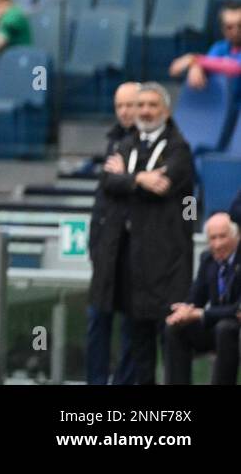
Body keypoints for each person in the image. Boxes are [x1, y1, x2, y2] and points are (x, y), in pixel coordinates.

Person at [92, 82, 196, 384]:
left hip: (167, 264)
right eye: (141, 106)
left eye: (152, 105)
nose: (145, 111)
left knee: (172, 342)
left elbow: (166, 184)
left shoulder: (178, 146)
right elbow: (107, 184)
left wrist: (126, 179)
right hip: (132, 265)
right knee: (138, 347)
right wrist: (139, 179)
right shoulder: (126, 145)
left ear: (165, 110)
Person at [86, 82, 142, 385]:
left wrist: (127, 177)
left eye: (130, 105)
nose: (124, 111)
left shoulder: (153, 143)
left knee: (132, 326)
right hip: (106, 246)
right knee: (97, 319)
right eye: (119, 105)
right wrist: (94, 242)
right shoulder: (113, 141)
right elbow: (105, 196)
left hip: (133, 248)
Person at [163, 213, 240, 385]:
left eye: (223, 236)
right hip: (216, 322)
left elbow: (238, 309)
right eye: (213, 238)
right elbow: (196, 296)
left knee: (225, 329)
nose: (218, 243)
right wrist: (185, 310)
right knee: (175, 328)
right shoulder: (207, 258)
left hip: (234, 327)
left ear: (236, 236)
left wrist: (201, 313)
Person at [170, 2, 241, 89]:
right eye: (229, 27)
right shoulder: (220, 47)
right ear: (222, 28)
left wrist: (193, 59)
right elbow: (210, 63)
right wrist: (196, 66)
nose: (235, 31)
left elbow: (236, 68)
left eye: (240, 25)